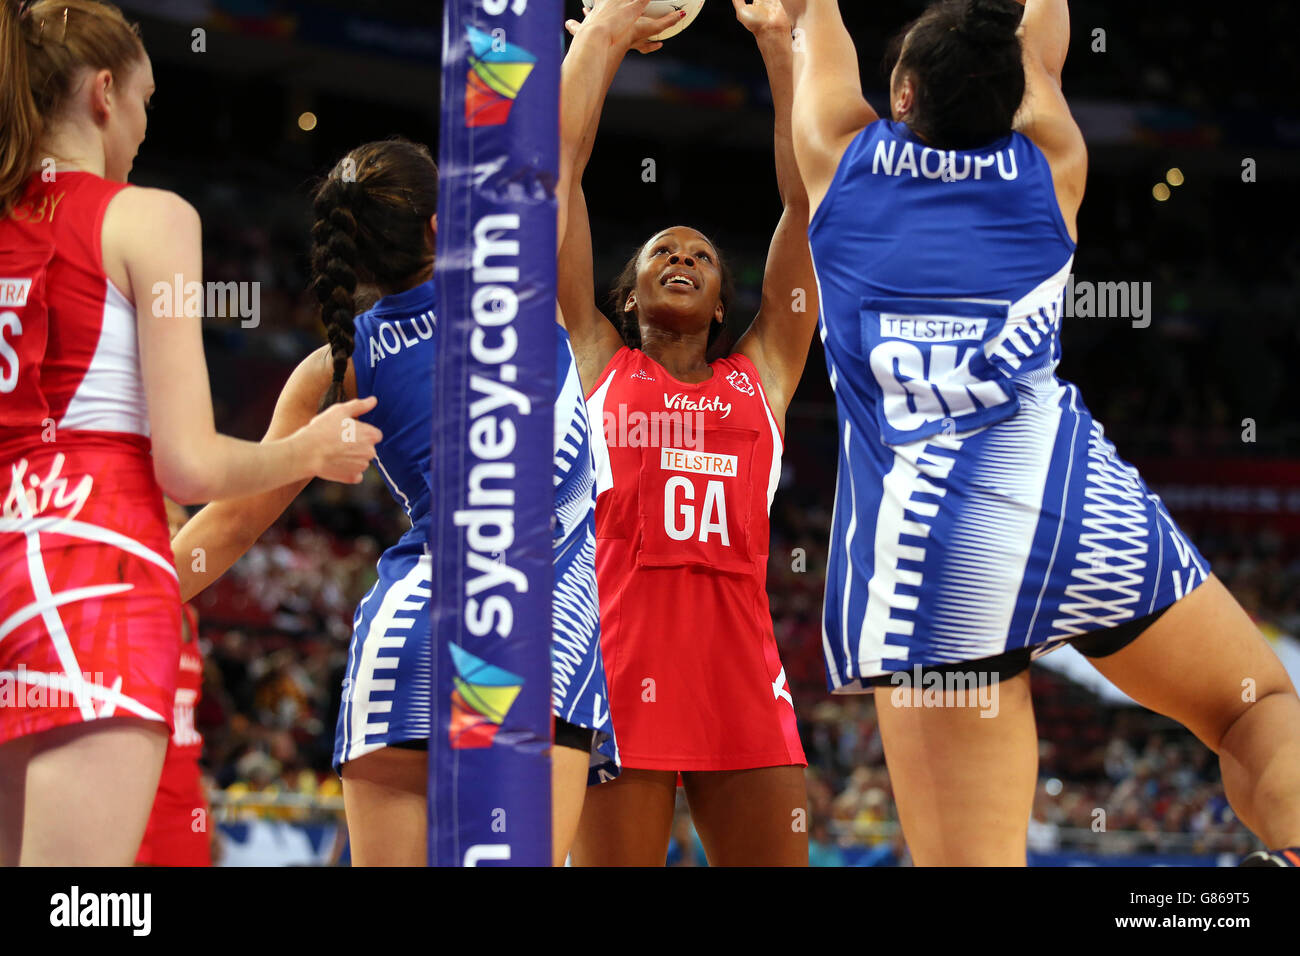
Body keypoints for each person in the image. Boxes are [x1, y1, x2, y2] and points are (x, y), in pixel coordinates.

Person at [780, 0, 1300, 865]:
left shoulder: (840, 156)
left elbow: (812, 20)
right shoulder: (1053, 164)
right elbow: (1045, 52)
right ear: (1018, 95)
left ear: (900, 93)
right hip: (1074, 508)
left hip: (935, 561)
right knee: (1255, 708)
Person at [167, 117, 646, 862]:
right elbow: (566, 132)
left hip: (406, 641)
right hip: (533, 632)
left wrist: (123, 605)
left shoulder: (338, 363)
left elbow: (227, 529)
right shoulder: (512, 282)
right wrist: (611, 26)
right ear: (439, 221)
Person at [0, 0, 379, 866]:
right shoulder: (149, 217)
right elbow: (189, 461)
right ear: (103, 94)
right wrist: (309, 450)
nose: (141, 125)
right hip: (93, 576)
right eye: (144, 100)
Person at [559, 0, 821, 865]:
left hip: (740, 683)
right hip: (615, 675)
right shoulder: (600, 363)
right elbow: (558, 177)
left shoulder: (763, 379)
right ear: (627, 297)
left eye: (701, 257)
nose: (681, 258)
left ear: (721, 306)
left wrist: (781, 48)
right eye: (661, 253)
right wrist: (601, 44)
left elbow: (804, 202)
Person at [136, 499, 213, 866]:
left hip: (183, 788)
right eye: (167, 525)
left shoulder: (190, 614)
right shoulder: (126, 607)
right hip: (133, 783)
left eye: (182, 527)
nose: (176, 535)